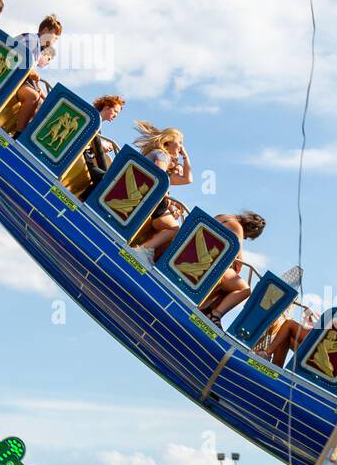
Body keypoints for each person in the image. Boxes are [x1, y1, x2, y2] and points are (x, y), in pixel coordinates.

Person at [263, 289, 337, 368]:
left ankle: (267, 353)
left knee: (289, 324)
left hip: (324, 352)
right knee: (288, 339)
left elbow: (333, 335)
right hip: (330, 362)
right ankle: (274, 369)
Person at [127, 122, 192, 260]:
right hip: (145, 196)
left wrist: (185, 157)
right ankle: (144, 250)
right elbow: (158, 180)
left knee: (172, 225)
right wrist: (169, 203)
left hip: (143, 195)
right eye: (179, 142)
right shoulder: (162, 154)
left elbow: (187, 179)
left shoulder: (161, 156)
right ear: (168, 141)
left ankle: (148, 250)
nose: (181, 147)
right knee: (174, 229)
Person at [198, 211, 266, 325]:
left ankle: (206, 309)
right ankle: (214, 315)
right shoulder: (237, 227)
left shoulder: (222, 216)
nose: (244, 238)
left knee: (229, 283)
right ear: (249, 230)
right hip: (209, 263)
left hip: (195, 252)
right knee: (244, 289)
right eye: (247, 237)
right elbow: (238, 258)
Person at [10, 15, 62, 136]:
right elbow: (18, 59)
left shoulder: (37, 47)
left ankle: (13, 130)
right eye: (55, 36)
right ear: (45, 31)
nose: (55, 40)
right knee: (32, 97)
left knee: (39, 105)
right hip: (9, 75)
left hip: (16, 78)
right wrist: (32, 73)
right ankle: (18, 135)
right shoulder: (32, 39)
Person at [80, 95, 125, 198]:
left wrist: (100, 147)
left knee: (107, 177)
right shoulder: (92, 118)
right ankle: (82, 201)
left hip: (87, 159)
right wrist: (101, 145)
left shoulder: (98, 124)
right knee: (105, 180)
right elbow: (83, 137)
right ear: (106, 107)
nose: (116, 115)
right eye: (115, 111)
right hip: (82, 159)